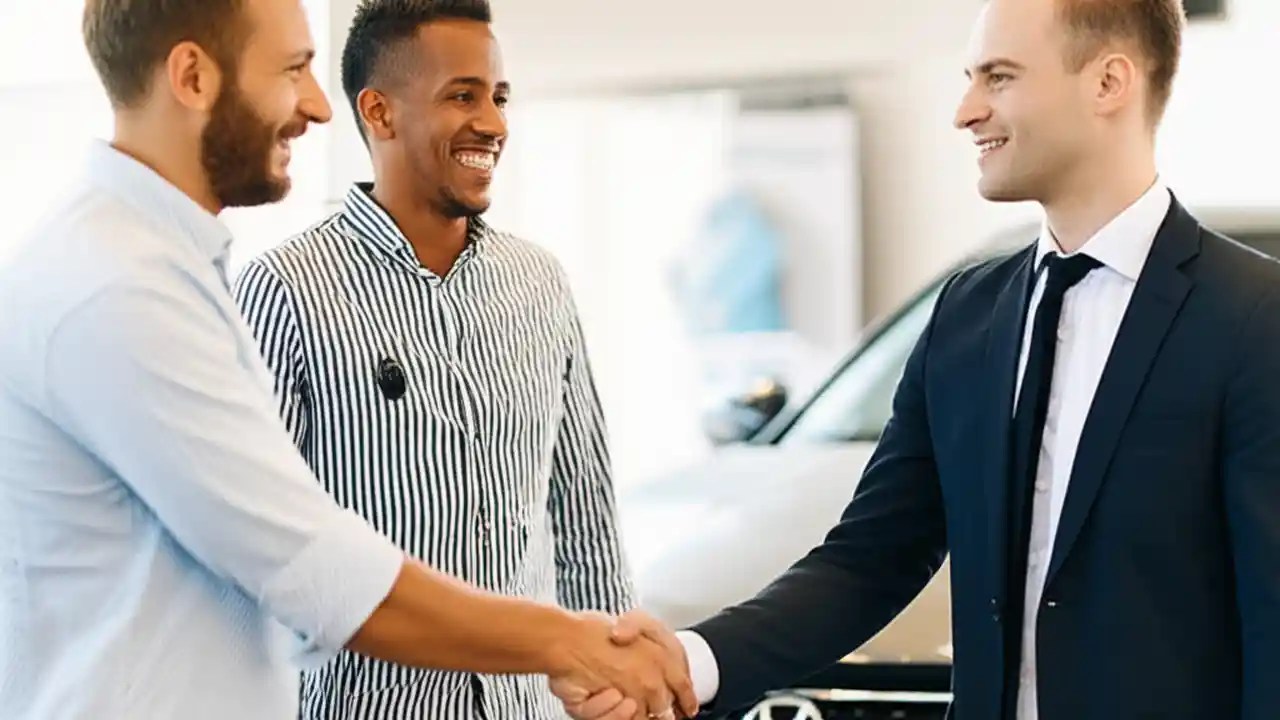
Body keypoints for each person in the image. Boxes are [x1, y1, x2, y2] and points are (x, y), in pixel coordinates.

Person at [567, 0, 1280, 719]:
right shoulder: (967, 315)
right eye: (971, 78)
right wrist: (689, 662)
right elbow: (869, 559)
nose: (966, 111)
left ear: (1108, 84)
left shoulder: (1254, 317)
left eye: (998, 78)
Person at [0, 1, 695, 719]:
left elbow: (582, 515)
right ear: (192, 76)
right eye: (293, 69)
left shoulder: (159, 267)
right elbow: (305, 562)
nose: (316, 107)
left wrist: (604, 658)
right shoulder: (117, 288)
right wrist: (566, 642)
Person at [231, 1, 640, 718]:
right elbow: (250, 555)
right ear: (380, 114)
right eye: (463, 96)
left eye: (499, 97)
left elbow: (585, 518)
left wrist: (620, 681)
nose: (494, 123)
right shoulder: (287, 289)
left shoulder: (539, 283)